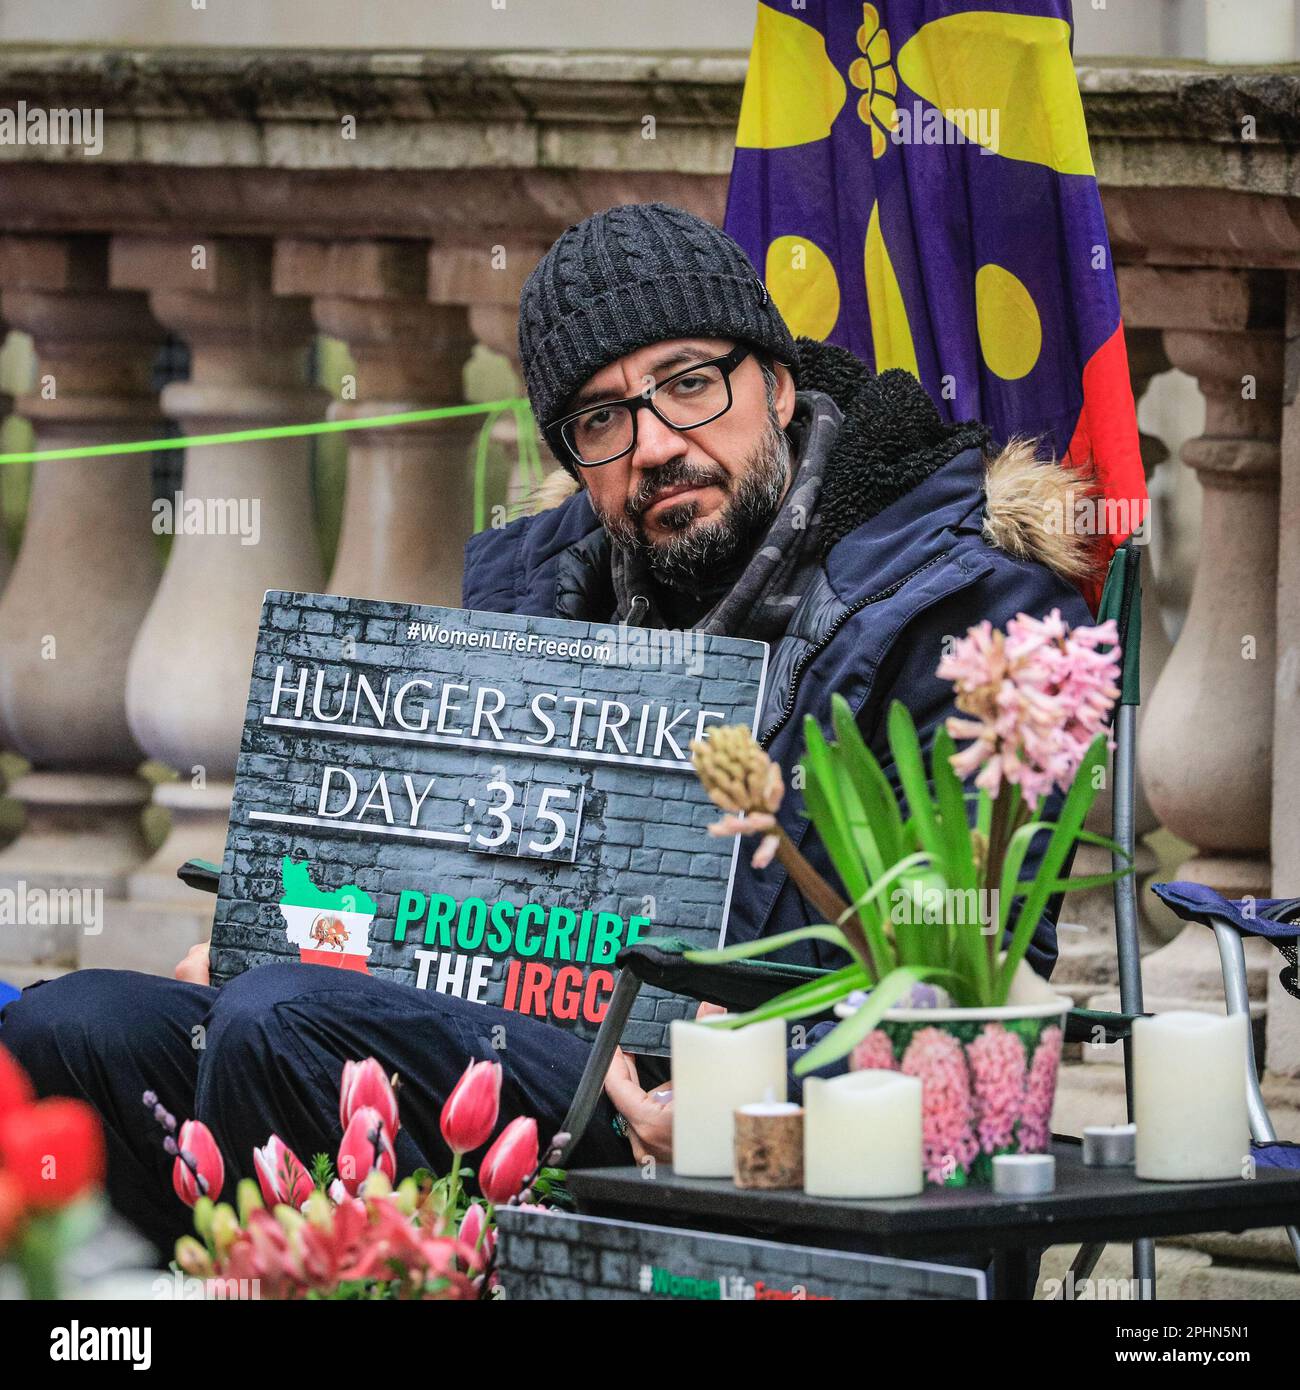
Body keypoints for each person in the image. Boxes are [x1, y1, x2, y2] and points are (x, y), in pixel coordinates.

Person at [1, 203, 1095, 1255]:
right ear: (573, 453)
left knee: (283, 1024)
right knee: (76, 1030)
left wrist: (753, 1091)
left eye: (689, 384)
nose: (657, 443)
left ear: (774, 377)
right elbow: (434, 878)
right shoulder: (536, 590)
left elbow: (979, 974)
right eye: (603, 419)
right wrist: (266, 933)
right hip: (516, 1037)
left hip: (729, 1087)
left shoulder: (955, 600)